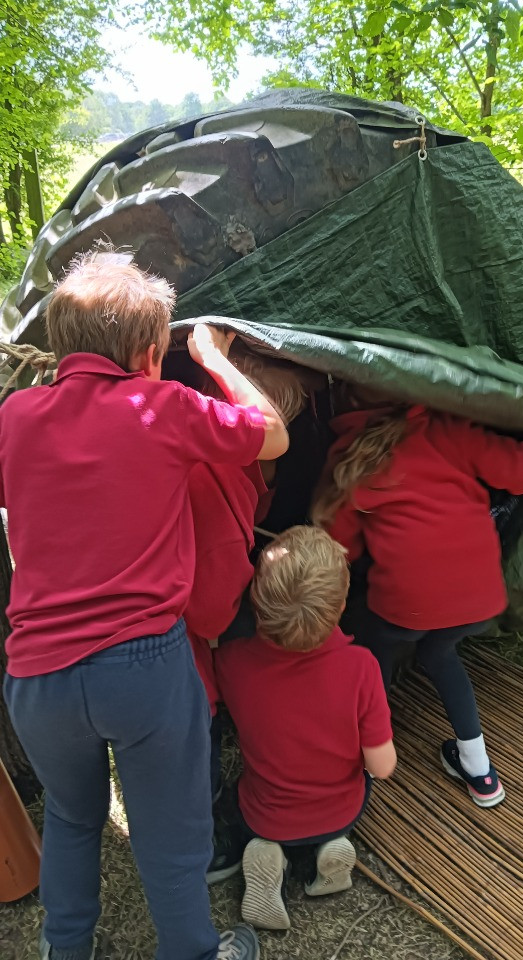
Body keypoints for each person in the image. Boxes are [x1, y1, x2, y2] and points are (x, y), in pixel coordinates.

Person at [0, 248, 289, 960]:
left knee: (71, 817)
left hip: (37, 676)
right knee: (170, 826)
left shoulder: (13, 417)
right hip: (143, 667)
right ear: (148, 351)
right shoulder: (161, 404)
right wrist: (215, 360)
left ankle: (64, 949)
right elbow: (272, 435)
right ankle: (191, 950)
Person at [312, 386, 523, 808]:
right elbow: (520, 467)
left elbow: (342, 545)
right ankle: (480, 771)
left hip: (405, 605)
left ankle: (363, 755)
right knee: (440, 653)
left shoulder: (351, 454)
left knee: (371, 656)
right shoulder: (447, 431)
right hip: (477, 600)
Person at [215, 525, 396, 931]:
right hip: (340, 809)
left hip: (265, 813)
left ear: (256, 604)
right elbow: (382, 766)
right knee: (354, 792)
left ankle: (267, 853)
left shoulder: (232, 662)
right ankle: (330, 850)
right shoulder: (361, 667)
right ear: (340, 605)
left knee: (250, 807)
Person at [184, 351, 310, 883]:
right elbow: (211, 614)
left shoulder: (224, 469)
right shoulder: (215, 487)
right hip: (179, 658)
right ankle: (206, 830)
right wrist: (247, 590)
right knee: (199, 731)